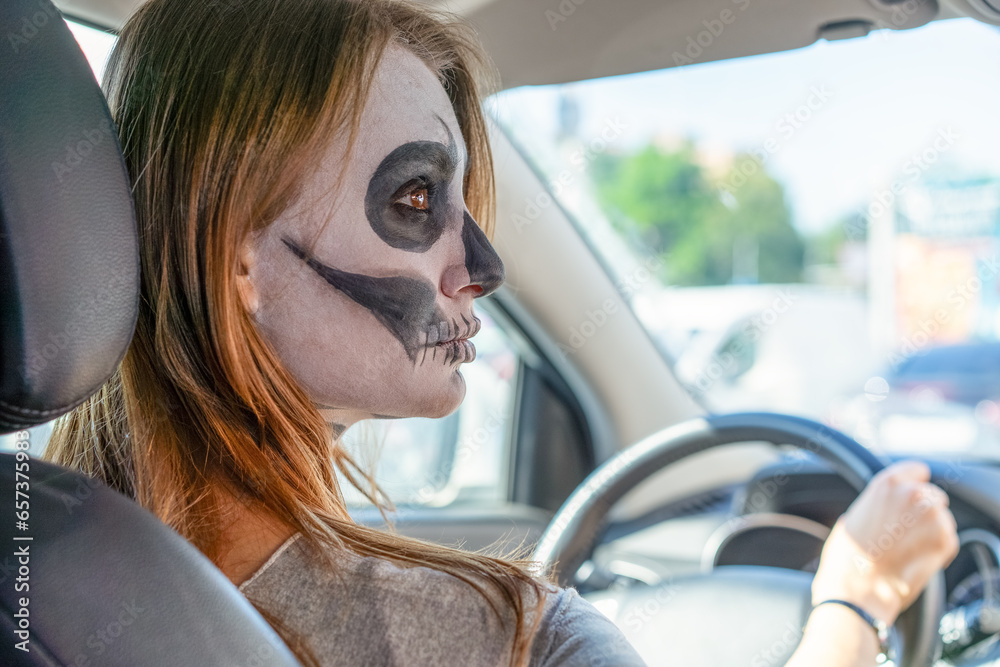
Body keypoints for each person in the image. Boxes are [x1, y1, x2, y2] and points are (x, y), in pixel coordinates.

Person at [46, 0, 959, 665]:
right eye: (416, 198)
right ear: (235, 257)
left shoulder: (37, 579)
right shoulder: (509, 636)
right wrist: (858, 598)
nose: (482, 264)